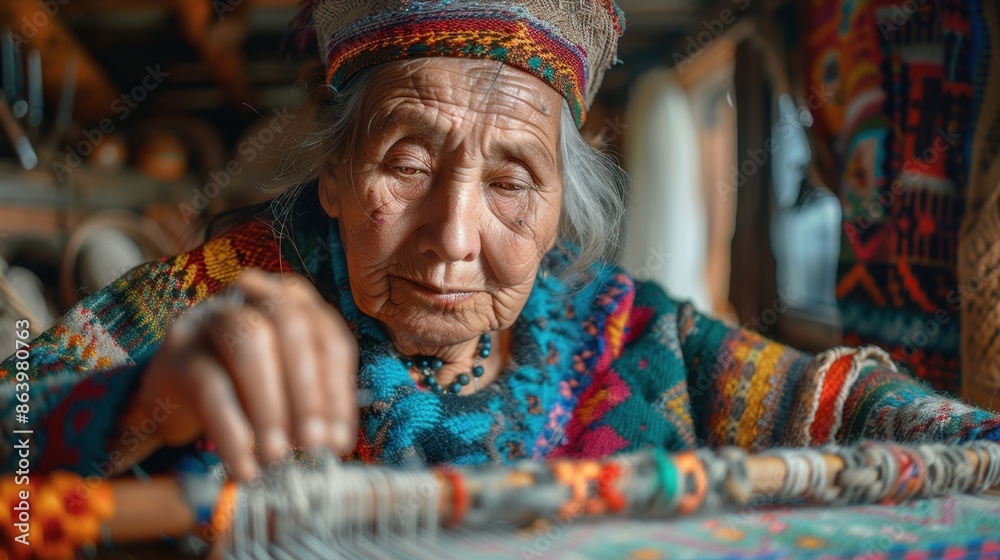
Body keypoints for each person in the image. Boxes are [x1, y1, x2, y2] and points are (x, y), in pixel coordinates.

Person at [1, 0, 998, 483]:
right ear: (336, 176)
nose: (452, 236)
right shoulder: (208, 299)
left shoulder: (630, 337)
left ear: (561, 204)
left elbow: (839, 402)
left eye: (513, 179)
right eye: (405, 162)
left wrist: (968, 443)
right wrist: (137, 407)